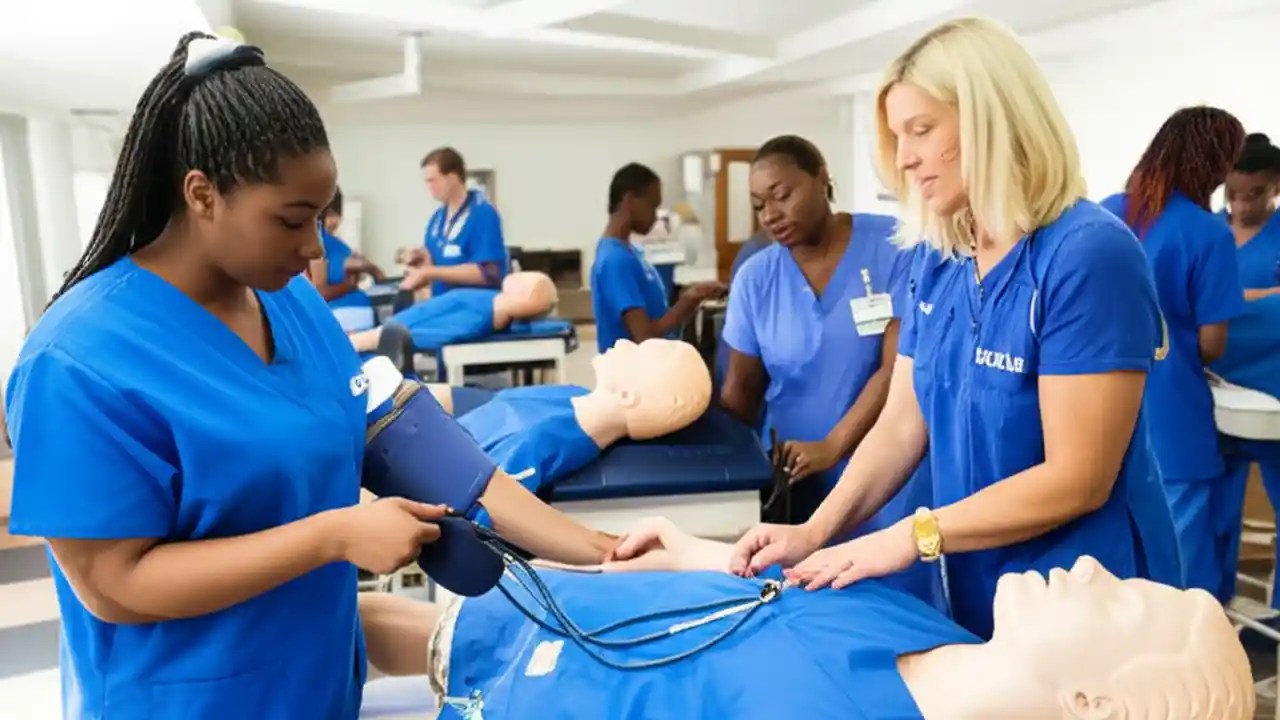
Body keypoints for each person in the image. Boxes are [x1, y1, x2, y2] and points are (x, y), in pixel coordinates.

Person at [0, 34, 619, 720]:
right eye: (292, 221)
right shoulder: (77, 359)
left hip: (314, 688)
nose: (314, 248)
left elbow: (406, 447)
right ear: (202, 194)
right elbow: (112, 584)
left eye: (321, 219)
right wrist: (335, 535)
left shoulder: (288, 301)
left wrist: (602, 553)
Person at [702, 17, 1180, 640]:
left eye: (921, 130)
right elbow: (903, 422)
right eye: (899, 135)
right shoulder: (939, 255)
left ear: (991, 119)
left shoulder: (1087, 255)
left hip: (1091, 594)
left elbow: (1079, 477)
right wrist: (815, 530)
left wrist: (914, 534)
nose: (904, 158)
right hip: (982, 582)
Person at [357, 521, 1253, 720]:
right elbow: (778, 592)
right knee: (339, 625)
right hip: (556, 616)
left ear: (1095, 704)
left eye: (1128, 601)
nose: (1095, 566)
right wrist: (693, 549)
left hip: (530, 702)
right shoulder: (923, 623)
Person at [722, 135, 922, 530]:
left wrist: (833, 446)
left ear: (821, 178)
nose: (770, 214)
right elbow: (740, 394)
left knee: (888, 587)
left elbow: (897, 367)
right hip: (795, 480)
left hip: (886, 475)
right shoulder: (756, 279)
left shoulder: (894, 247)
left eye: (782, 195)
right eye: (759, 205)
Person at [1099, 106, 1246, 599]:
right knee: (1183, 575)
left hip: (1097, 416)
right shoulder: (1208, 234)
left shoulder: (1104, 213)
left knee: (1120, 564)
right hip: (1173, 418)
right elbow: (1212, 343)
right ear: (1217, 164)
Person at [434, 338, 712, 509]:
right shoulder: (571, 394)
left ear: (628, 396)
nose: (625, 343)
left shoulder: (543, 443)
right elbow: (487, 403)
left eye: (637, 352)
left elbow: (467, 504)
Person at [1211, 132, 1280, 606]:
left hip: (1272, 401)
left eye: (1253, 193)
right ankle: (1212, 620)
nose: (1240, 205)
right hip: (1211, 403)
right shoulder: (1206, 232)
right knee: (1211, 521)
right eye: (1232, 193)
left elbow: (1202, 310)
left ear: (1275, 185)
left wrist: (1224, 306)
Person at [590, 162, 724, 352]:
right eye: (653, 206)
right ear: (629, 200)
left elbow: (659, 321)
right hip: (634, 374)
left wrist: (693, 298)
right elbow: (644, 336)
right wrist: (689, 299)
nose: (655, 217)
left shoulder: (631, 252)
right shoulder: (615, 260)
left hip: (653, 367)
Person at [347, 271, 557, 352]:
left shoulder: (488, 310)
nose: (517, 274)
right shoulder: (488, 300)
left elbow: (411, 335)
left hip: (394, 332)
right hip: (402, 324)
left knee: (375, 337)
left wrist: (356, 342)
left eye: (524, 278)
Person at [401, 147, 507, 297]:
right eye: (426, 181)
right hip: (442, 305)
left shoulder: (483, 214)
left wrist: (429, 272)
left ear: (452, 178)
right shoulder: (437, 219)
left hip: (472, 308)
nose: (429, 187)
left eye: (433, 180)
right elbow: (435, 264)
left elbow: (489, 273)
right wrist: (419, 260)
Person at [309, 186, 386, 332]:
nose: (334, 221)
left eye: (336, 214)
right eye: (331, 214)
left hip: (352, 315)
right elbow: (318, 294)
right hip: (347, 316)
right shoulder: (321, 245)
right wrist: (349, 285)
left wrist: (368, 268)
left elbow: (380, 278)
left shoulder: (335, 245)